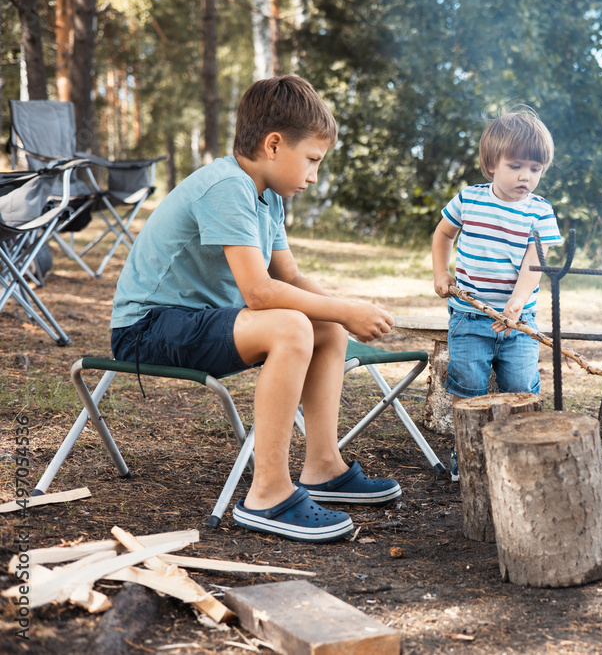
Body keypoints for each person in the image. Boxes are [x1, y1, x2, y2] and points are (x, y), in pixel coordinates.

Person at [110, 75, 400, 543]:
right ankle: (267, 494)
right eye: (312, 160)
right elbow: (261, 294)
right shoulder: (227, 185)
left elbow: (292, 277)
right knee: (290, 328)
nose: (313, 175)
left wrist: (343, 311)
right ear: (273, 145)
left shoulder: (268, 197)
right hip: (148, 328)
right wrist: (346, 307)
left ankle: (323, 466)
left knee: (325, 328)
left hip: (196, 322)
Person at [431, 108, 562, 480]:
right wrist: (441, 272)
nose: (526, 176)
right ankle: (467, 453)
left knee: (520, 387)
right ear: (491, 164)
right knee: (469, 389)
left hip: (518, 322)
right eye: (516, 165)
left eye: (535, 169)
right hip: (470, 317)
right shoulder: (469, 200)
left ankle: (522, 453)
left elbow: (533, 264)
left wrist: (517, 304)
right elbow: (442, 235)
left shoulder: (540, 212)